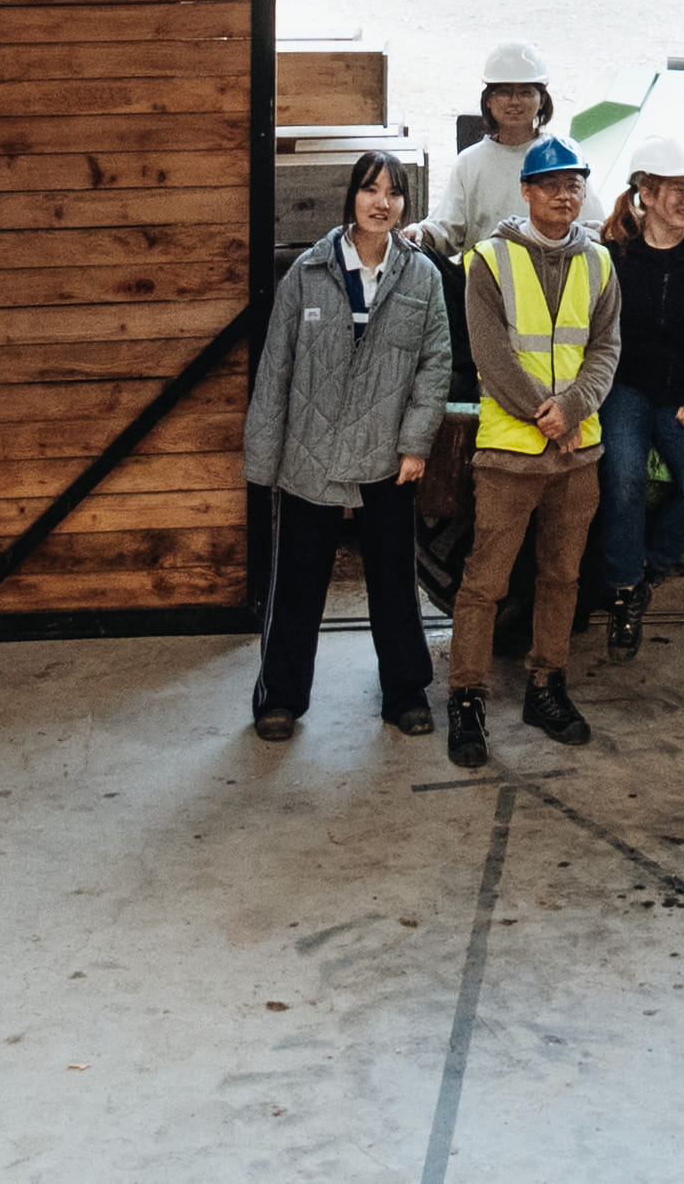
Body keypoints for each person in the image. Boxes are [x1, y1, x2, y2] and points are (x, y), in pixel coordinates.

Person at [243, 151, 447, 742]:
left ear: (406, 204)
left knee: (392, 580)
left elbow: (436, 367)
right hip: (311, 451)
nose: (382, 202)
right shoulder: (307, 272)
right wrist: (265, 460)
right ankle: (279, 697)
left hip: (387, 453)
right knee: (298, 581)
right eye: (370, 190)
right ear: (351, 197)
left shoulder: (422, 278)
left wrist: (416, 443)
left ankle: (406, 693)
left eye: (394, 193)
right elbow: (275, 367)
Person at [446, 135, 622, 769]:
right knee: (484, 584)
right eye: (550, 184)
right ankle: (466, 700)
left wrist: (572, 409)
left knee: (563, 578)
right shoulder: (488, 262)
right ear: (526, 191)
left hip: (578, 454)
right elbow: (490, 355)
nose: (563, 194)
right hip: (511, 454)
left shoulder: (600, 263)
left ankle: (547, 685)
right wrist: (545, 416)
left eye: (573, 184)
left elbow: (605, 349)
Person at [595, 132, 684, 663]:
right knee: (623, 474)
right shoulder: (614, 257)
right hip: (626, 390)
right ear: (645, 194)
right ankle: (623, 590)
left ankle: (646, 566)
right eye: (674, 189)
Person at [423, 40, 609, 257]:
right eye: (504, 92)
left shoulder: (561, 157)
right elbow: (447, 229)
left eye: (525, 92)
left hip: (553, 279)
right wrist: (420, 233)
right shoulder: (470, 162)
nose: (514, 102)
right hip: (485, 283)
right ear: (489, 101)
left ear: (541, 101)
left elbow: (594, 230)